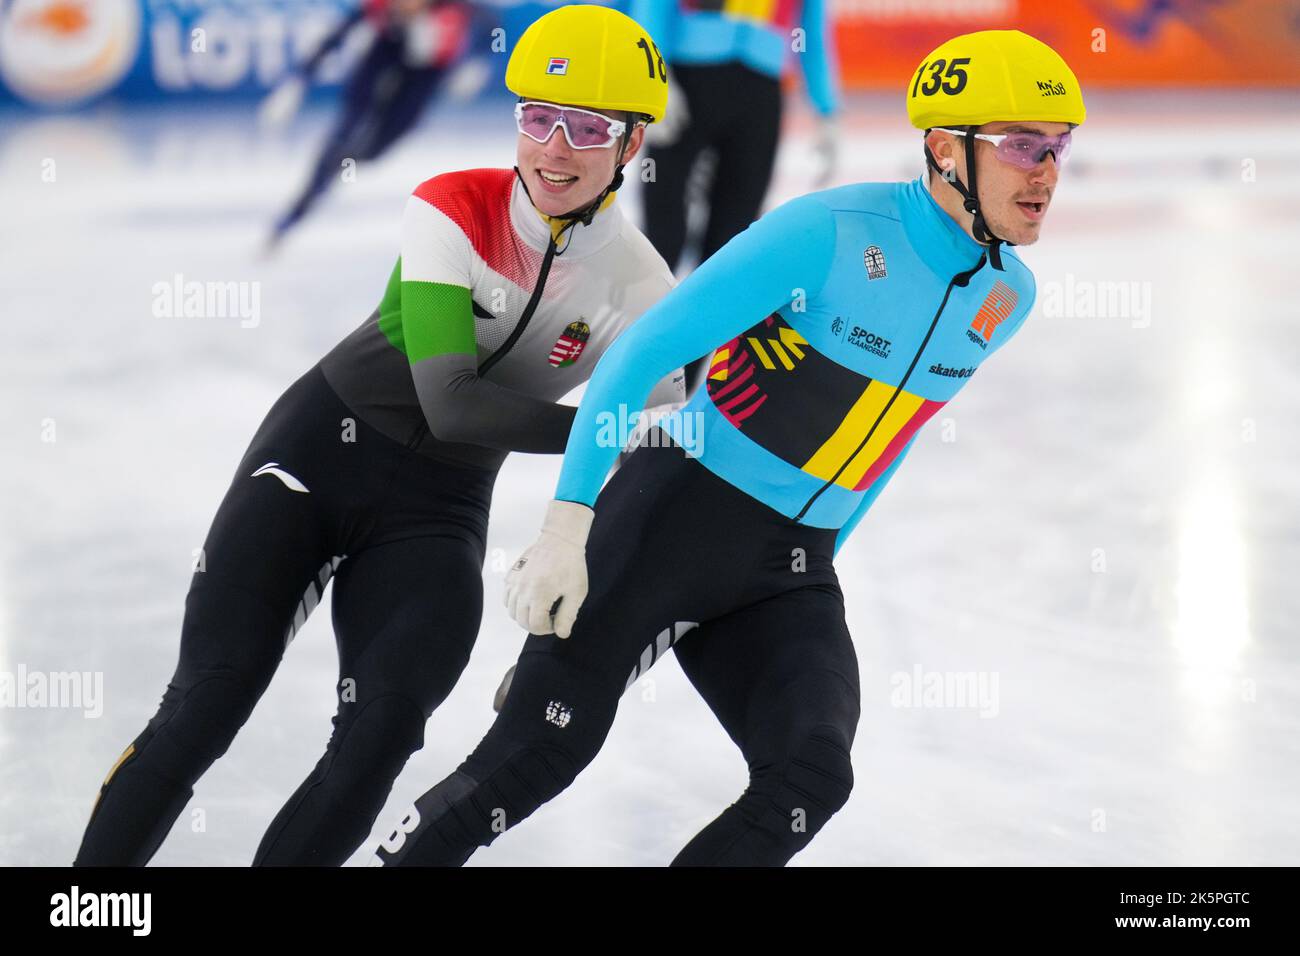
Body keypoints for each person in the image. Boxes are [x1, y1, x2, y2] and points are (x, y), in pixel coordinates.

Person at [372, 29, 1086, 866]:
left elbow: (888, 446)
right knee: (536, 754)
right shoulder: (827, 230)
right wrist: (568, 532)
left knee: (809, 777)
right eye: (1022, 145)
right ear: (944, 149)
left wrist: (823, 556)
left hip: (788, 568)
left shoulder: (1008, 296)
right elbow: (639, 358)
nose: (1045, 169)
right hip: (671, 519)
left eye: (1058, 147)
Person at [74, 3, 685, 867]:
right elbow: (453, 404)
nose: (554, 146)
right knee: (208, 701)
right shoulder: (454, 205)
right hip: (315, 459)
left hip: (437, 515)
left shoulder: (642, 286)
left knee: (384, 731)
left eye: (586, 128)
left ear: (631, 146)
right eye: (537, 118)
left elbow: (663, 462)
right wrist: (611, 426)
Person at [630, 0, 840, 273]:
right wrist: (655, 77)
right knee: (664, 209)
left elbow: (812, 29)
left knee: (737, 222)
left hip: (760, 89)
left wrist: (827, 111)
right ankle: (649, 299)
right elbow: (653, 6)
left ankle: (715, 306)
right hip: (688, 78)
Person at [261, 0, 485, 248]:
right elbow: (338, 35)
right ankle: (296, 213)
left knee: (373, 149)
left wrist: (477, 64)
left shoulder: (456, 8)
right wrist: (298, 80)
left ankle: (346, 159)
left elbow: (490, 25)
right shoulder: (383, 6)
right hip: (383, 58)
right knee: (341, 139)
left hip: (423, 78)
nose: (407, 6)